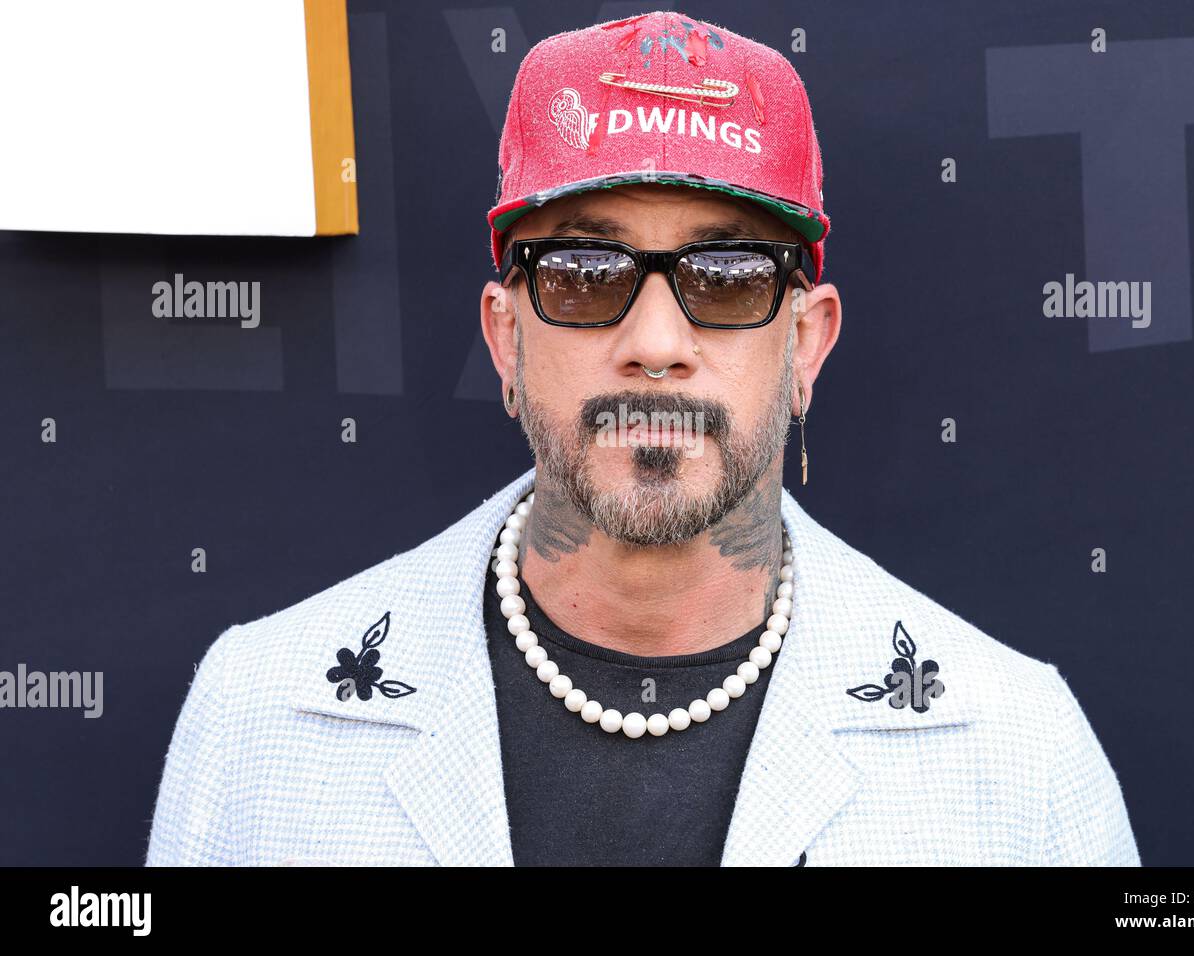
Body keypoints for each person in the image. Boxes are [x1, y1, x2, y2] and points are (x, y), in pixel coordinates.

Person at [146, 10, 1140, 866]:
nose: (656, 343)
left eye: (731, 275)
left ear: (805, 343)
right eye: (584, 270)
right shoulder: (259, 716)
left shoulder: (1016, 753)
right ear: (505, 336)